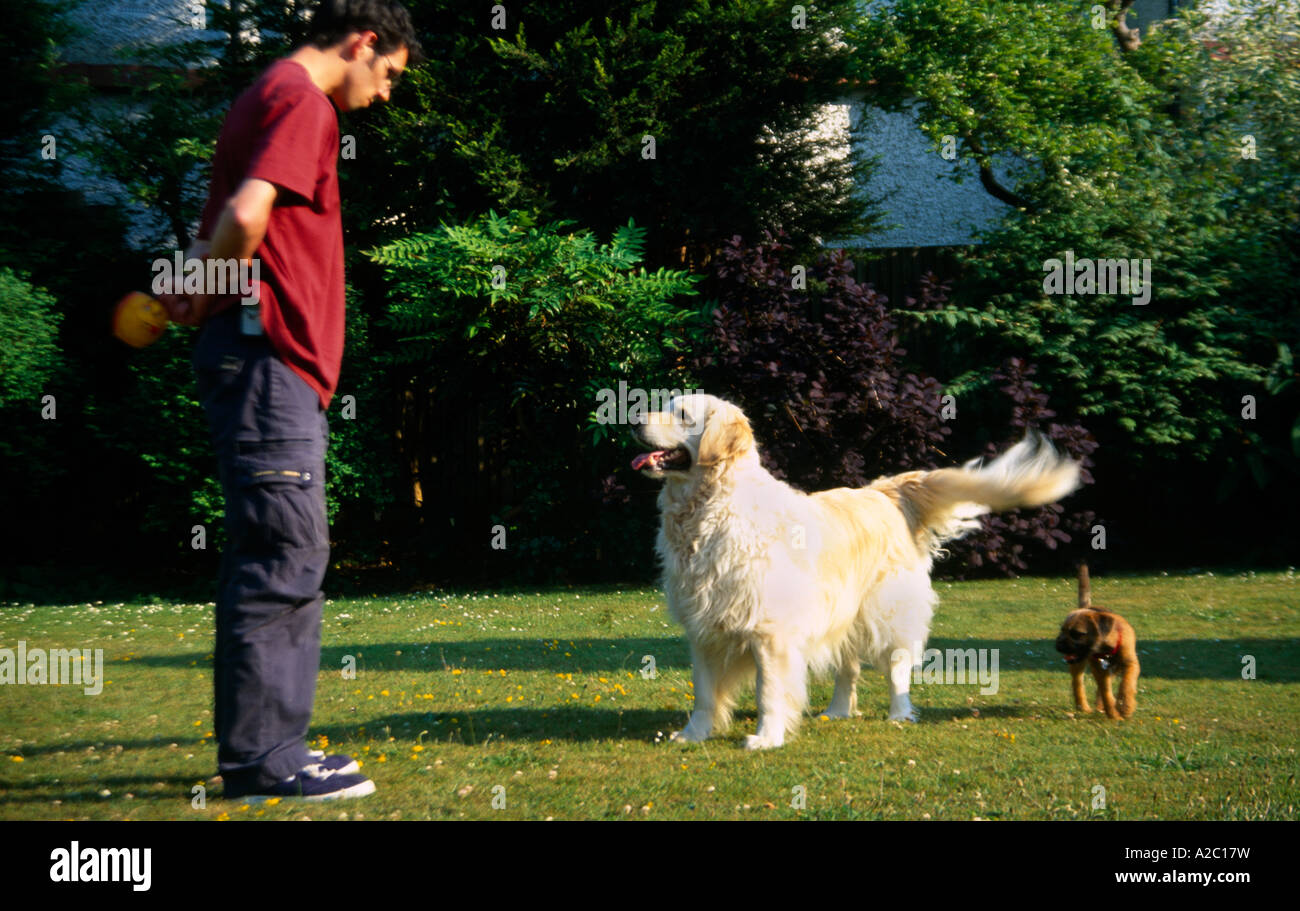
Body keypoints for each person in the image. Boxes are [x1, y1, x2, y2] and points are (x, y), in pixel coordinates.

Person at [162, 0, 422, 801]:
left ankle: (263, 750)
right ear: (363, 41)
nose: (383, 96)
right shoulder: (302, 101)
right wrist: (207, 291)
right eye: (388, 75)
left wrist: (192, 289)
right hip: (269, 360)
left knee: (273, 552)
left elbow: (227, 235)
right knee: (285, 555)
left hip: (256, 357)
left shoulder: (265, 93)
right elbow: (246, 216)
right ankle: (267, 758)